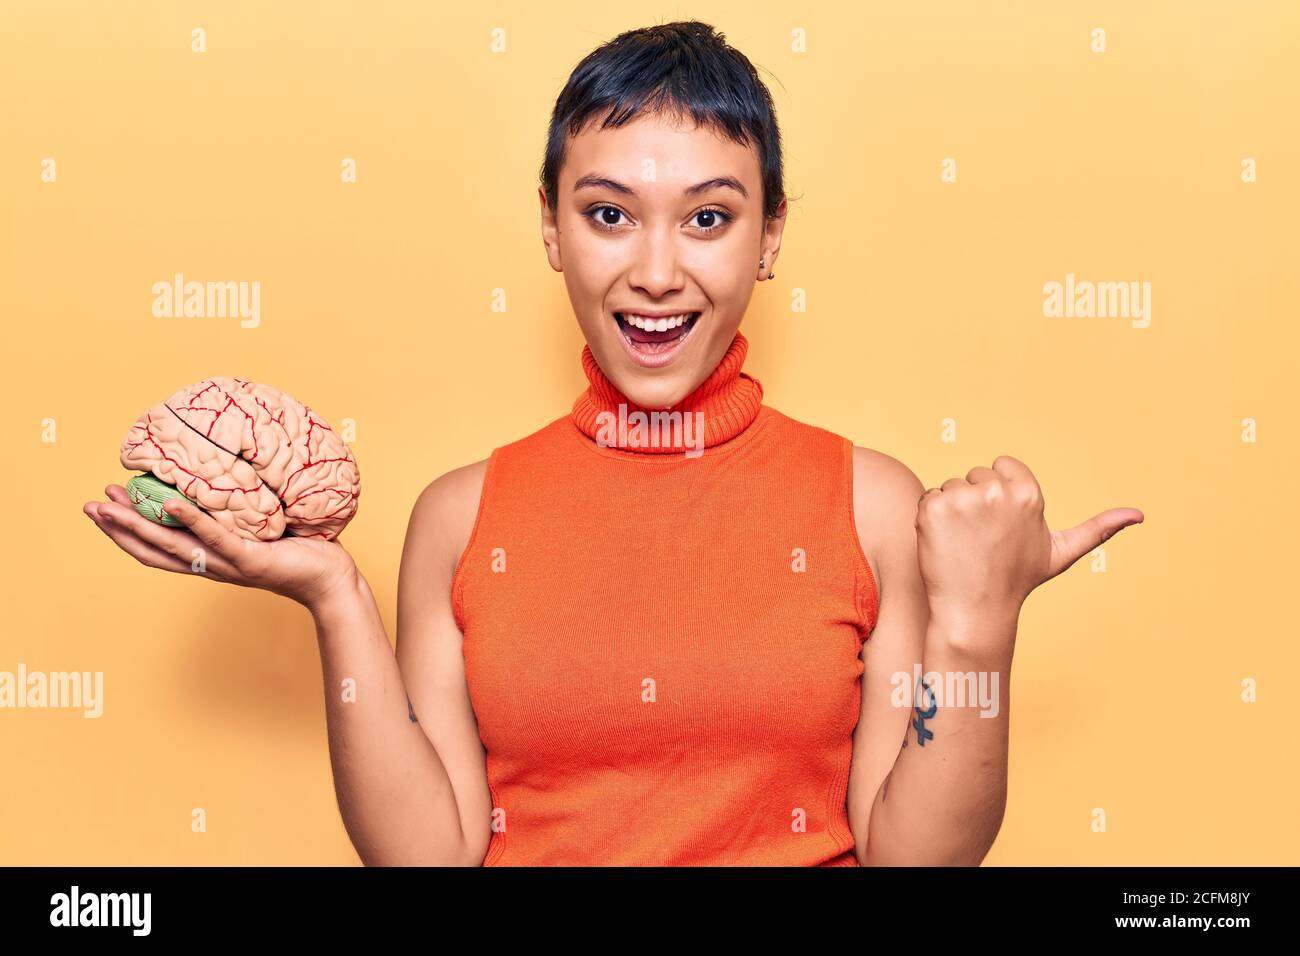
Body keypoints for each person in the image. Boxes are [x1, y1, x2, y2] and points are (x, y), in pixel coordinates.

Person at [83, 20, 1142, 866]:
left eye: (709, 218)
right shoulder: (461, 517)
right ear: (549, 225)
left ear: (771, 235)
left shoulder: (869, 503)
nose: (654, 271)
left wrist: (976, 631)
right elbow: (426, 853)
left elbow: (921, 857)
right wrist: (333, 596)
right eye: (607, 214)